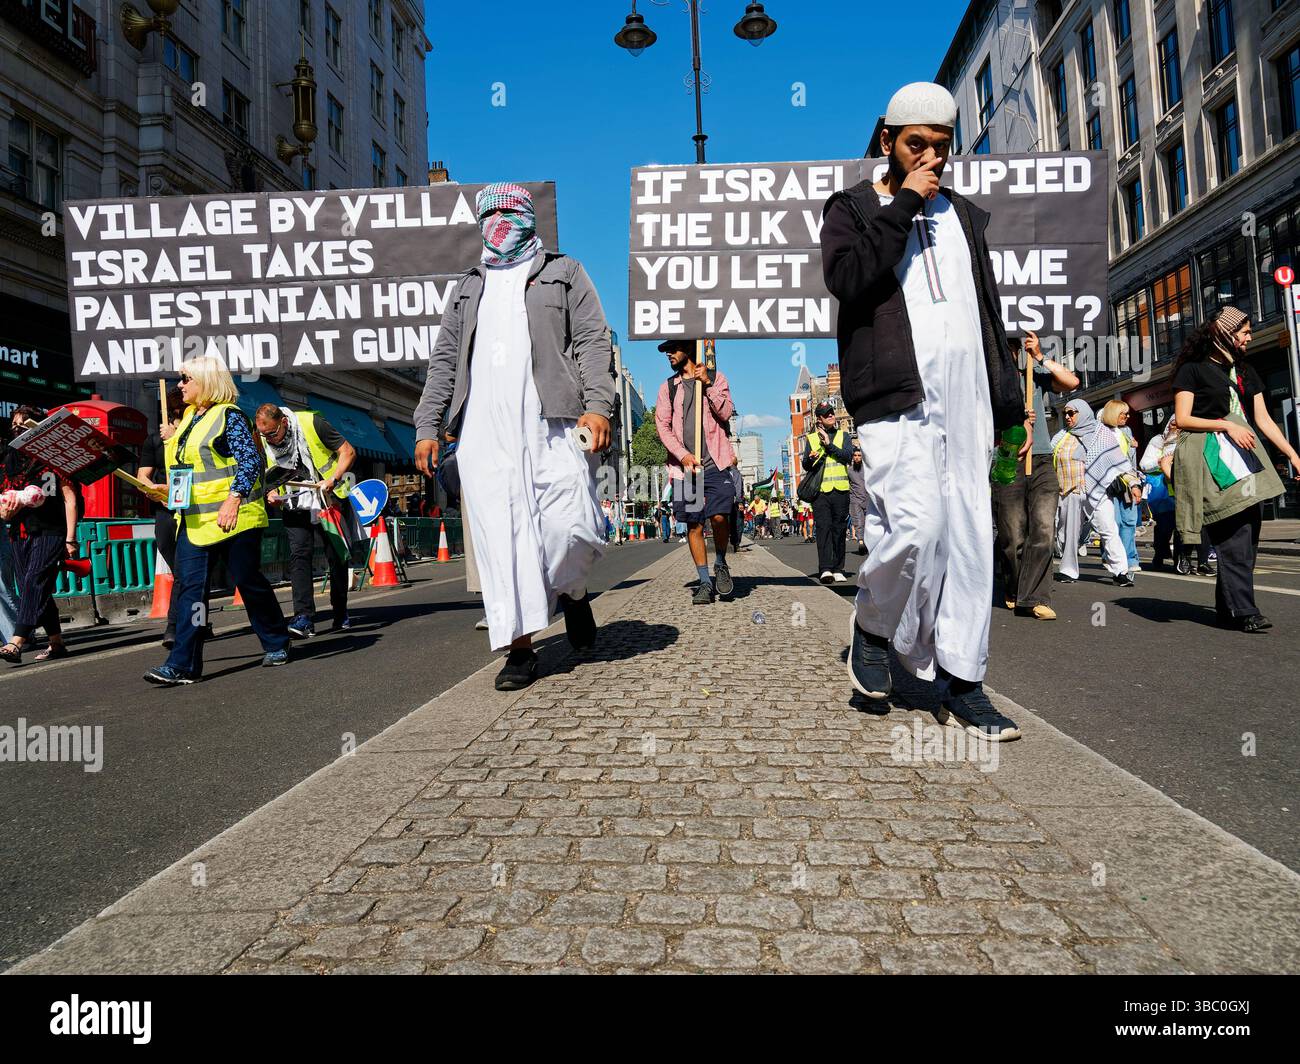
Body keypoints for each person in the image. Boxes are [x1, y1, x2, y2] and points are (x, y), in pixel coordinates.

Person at [821, 81, 1024, 739]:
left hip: (968, 403)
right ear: (888, 141)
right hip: (895, 397)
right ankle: (875, 626)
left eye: (940, 147)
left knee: (968, 540)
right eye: (917, 146)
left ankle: (965, 683)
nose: (931, 157)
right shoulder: (851, 208)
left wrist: (1010, 407)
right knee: (915, 526)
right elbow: (850, 280)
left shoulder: (964, 216)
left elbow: (990, 317)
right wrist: (907, 199)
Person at [414, 183, 612, 689]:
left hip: (554, 422)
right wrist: (427, 425)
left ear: (528, 216)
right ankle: (518, 649)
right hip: (482, 429)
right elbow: (443, 362)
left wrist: (597, 407)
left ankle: (572, 591)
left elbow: (592, 340)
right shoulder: (467, 288)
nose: (500, 223)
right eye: (490, 214)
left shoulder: (564, 273)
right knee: (500, 539)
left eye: (509, 212)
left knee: (572, 525)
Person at [143, 356, 291, 685]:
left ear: (206, 381)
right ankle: (183, 664)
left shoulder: (229, 416)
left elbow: (250, 461)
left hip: (234, 519)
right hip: (194, 523)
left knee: (248, 582)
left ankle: (277, 640)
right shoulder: (185, 423)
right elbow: (190, 473)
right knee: (191, 593)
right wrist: (165, 491)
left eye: (185, 378)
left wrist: (233, 498)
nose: (180, 384)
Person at [1171, 306, 1298, 632]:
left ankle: (1228, 608)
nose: (1249, 337)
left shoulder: (1244, 371)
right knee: (1235, 534)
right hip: (1213, 459)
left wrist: (1292, 454)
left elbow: (1264, 420)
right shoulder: (1192, 371)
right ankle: (1244, 611)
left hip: (1246, 458)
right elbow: (1182, 420)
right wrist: (1224, 426)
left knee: (1249, 533)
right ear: (1224, 334)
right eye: (1244, 331)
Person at [993, 331, 1080, 620]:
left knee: (1043, 528)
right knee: (1012, 534)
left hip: (1041, 457)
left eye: (1012, 349)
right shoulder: (989, 381)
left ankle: (1034, 598)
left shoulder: (1033, 372)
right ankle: (1014, 587)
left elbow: (1072, 382)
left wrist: (1039, 356)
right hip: (1007, 458)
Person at [255, 403, 359, 637]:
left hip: (327, 497)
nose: (269, 440)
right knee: (299, 554)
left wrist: (333, 478)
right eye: (264, 435)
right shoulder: (265, 437)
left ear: (283, 422)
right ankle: (303, 617)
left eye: (272, 433)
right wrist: (270, 492)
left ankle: (340, 610)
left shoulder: (312, 423)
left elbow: (348, 451)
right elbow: (270, 470)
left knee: (336, 555)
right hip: (295, 500)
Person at [654, 338, 737, 604]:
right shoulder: (668, 388)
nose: (668, 354)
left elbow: (725, 414)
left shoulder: (717, 378)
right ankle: (704, 581)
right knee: (693, 523)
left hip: (715, 462)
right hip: (685, 468)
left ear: (689, 348)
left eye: (673, 348)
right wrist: (683, 455)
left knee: (720, 517)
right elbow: (663, 427)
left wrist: (708, 385)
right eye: (666, 350)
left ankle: (721, 563)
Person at [0, 406, 80, 665]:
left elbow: (70, 499)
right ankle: (56, 642)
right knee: (34, 587)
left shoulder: (55, 456)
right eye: (14, 424)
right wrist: (6, 513)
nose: (17, 429)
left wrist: (70, 538)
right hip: (20, 532)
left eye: (23, 424)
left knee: (34, 581)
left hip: (52, 531)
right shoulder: (8, 459)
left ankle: (17, 641)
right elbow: (4, 501)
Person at [1059, 398, 1139, 586]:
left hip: (1098, 491)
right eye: (1065, 414)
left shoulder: (1101, 433)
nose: (1067, 417)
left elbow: (1118, 462)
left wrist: (1134, 484)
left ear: (1083, 412)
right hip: (1069, 491)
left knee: (1109, 529)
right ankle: (1068, 571)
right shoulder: (1062, 436)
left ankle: (1121, 571)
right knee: (1068, 533)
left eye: (1071, 413)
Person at [137, 387, 187, 646]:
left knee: (188, 568)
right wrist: (148, 487)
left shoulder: (192, 432)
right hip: (165, 511)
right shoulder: (154, 439)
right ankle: (193, 619)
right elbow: (143, 474)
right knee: (178, 568)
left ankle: (176, 625)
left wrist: (177, 437)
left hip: (192, 510)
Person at [803, 400, 854, 583]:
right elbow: (806, 465)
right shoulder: (811, 439)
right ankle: (825, 568)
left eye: (832, 412)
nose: (831, 415)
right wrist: (810, 459)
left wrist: (829, 444)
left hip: (841, 490)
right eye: (827, 414)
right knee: (823, 529)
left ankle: (839, 567)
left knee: (839, 529)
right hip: (821, 492)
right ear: (819, 419)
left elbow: (848, 456)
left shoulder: (844, 436)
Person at [1100, 399, 1143, 573]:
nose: (1127, 416)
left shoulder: (1126, 431)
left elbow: (1129, 460)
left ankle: (1129, 558)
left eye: (1127, 413)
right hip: (1108, 483)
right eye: (1123, 413)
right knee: (1114, 522)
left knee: (1129, 522)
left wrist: (1135, 482)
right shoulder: (1100, 432)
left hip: (1127, 481)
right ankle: (1111, 556)